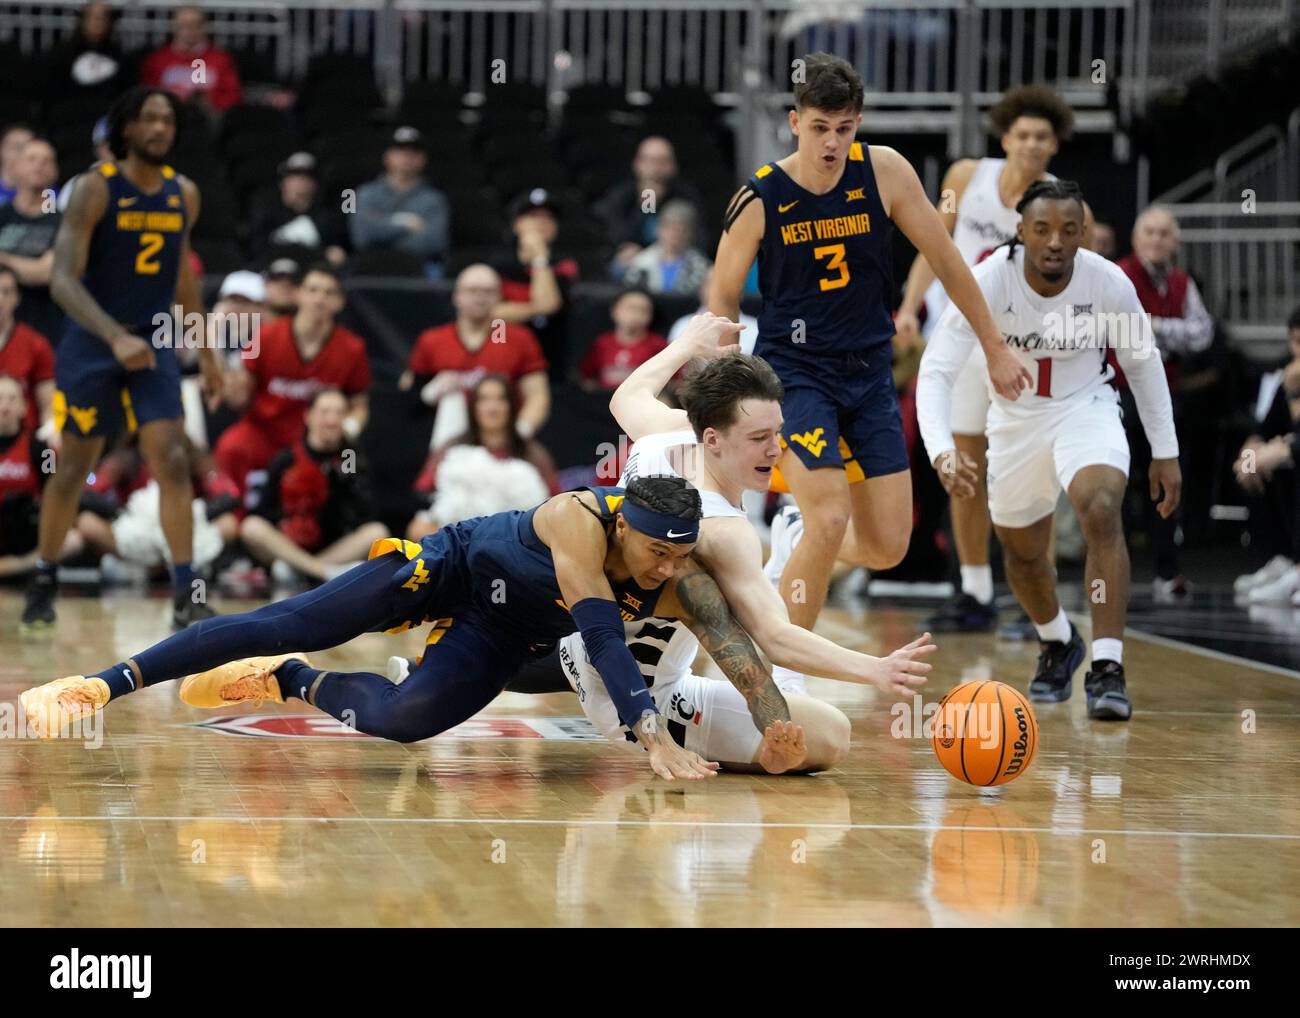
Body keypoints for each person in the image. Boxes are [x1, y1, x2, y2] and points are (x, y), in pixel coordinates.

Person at [21, 475, 806, 780]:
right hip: (451, 567)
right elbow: (603, 634)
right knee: (290, 617)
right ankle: (102, 682)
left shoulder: (684, 576)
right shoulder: (578, 520)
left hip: (505, 634)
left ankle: (289, 680)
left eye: (679, 556)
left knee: (406, 722)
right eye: (654, 552)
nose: (666, 568)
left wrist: (775, 727)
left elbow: (741, 649)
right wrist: (651, 734)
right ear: (625, 526)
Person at [709, 52, 1028, 693]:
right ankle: (781, 683)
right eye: (821, 126)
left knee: (887, 547)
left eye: (845, 127)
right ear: (795, 121)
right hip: (792, 375)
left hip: (869, 372)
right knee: (830, 517)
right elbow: (720, 300)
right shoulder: (761, 196)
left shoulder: (885, 171)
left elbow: (946, 259)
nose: (832, 142)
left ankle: (794, 532)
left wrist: (994, 345)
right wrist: (732, 389)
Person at [916, 180, 1181, 721]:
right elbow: (936, 370)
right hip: (1013, 422)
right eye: (1042, 229)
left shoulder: (1108, 282)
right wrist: (943, 450)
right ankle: (1058, 641)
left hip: (1087, 407)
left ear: (1084, 234)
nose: (1055, 240)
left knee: (1101, 508)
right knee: (1023, 554)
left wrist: (1166, 450)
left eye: (1068, 229)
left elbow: (1143, 365)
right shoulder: (989, 278)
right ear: (1021, 232)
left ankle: (1107, 665)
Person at [22, 87, 223, 631]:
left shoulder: (184, 193)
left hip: (153, 342)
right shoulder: (94, 188)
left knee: (173, 459)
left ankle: (186, 593)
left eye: (168, 120)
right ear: (126, 130)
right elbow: (62, 281)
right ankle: (44, 577)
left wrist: (207, 354)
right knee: (74, 468)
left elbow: (184, 278)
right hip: (92, 343)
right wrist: (113, 337)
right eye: (149, 119)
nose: (160, 128)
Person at [894, 84, 1078, 634]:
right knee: (964, 471)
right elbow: (935, 243)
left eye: (1042, 136)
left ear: (1054, 145)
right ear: (1006, 137)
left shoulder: (1059, 202)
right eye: (1023, 133)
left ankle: (1033, 598)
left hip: (1019, 351)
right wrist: (907, 309)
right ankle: (974, 591)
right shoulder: (964, 177)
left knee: (1027, 478)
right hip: (959, 343)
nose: (1031, 143)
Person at [1115, 205, 1215, 601]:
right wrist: (1162, 334)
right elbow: (1124, 332)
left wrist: (1154, 327)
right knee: (1118, 485)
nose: (1156, 240)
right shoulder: (1119, 274)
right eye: (1150, 233)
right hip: (1121, 394)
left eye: (1164, 233)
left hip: (1164, 397)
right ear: (1136, 239)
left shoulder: (1181, 281)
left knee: (1167, 481)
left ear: (1175, 242)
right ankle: (1114, 574)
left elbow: (1203, 334)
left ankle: (1166, 572)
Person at [215, 262, 370, 496]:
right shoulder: (265, 336)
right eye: (313, 290)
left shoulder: (352, 348)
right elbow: (239, 398)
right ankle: (235, 512)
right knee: (231, 445)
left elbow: (359, 404)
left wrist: (348, 428)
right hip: (265, 433)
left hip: (320, 440)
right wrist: (216, 348)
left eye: (329, 293)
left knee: (352, 460)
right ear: (298, 295)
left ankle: (346, 518)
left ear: (340, 302)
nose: (320, 299)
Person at [241, 388, 389, 584]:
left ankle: (303, 571)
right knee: (251, 527)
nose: (331, 420)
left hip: (332, 548)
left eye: (339, 413)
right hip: (289, 546)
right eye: (325, 412)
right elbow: (262, 512)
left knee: (377, 532)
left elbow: (366, 514)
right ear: (308, 416)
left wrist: (344, 483)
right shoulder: (288, 459)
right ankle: (320, 571)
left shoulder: (350, 457)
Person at [401, 263, 550, 444]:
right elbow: (411, 395)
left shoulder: (514, 338)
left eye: (488, 291)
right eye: (472, 291)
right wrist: (433, 390)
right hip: (446, 441)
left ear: (500, 297)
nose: (480, 298)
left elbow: (537, 395)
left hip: (504, 439)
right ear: (457, 296)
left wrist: (518, 434)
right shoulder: (433, 340)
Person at [407, 372, 558, 541]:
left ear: (511, 406)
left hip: (511, 540)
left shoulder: (533, 453)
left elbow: (553, 503)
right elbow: (424, 489)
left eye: (500, 399)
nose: (492, 407)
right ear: (473, 406)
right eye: (484, 399)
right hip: (457, 538)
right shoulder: (452, 447)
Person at [488, 188, 579, 376]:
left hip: (549, 358)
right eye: (532, 216)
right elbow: (491, 313)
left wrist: (539, 258)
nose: (541, 222)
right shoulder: (498, 263)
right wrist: (534, 307)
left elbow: (548, 305)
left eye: (548, 217)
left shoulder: (564, 264)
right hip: (501, 355)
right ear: (516, 224)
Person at [0, 375, 82, 576]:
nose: (5, 406)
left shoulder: (42, 447)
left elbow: (54, 489)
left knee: (73, 540)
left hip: (25, 531)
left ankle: (15, 567)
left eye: (12, 399)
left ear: (24, 408)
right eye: (0, 398)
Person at [349, 126, 449, 277]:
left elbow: (435, 241)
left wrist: (382, 228)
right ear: (387, 156)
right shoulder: (360, 193)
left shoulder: (436, 199)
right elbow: (360, 236)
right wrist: (405, 223)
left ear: (423, 159)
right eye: (400, 150)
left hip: (417, 270)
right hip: (369, 268)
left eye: (415, 152)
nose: (407, 156)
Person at [596, 136, 704, 275]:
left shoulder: (685, 195)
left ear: (673, 166)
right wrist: (648, 202)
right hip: (636, 260)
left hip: (678, 259)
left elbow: (700, 237)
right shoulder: (622, 195)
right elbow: (618, 238)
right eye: (651, 161)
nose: (656, 168)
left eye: (663, 161)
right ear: (637, 164)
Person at [0, 137, 64, 344]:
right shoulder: (3, 216)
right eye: (32, 159)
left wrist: (5, 260)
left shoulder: (62, 220)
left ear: (55, 171)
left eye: (46, 160)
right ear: (15, 167)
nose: (39, 165)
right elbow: (36, 269)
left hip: (47, 331)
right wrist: (29, 267)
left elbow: (47, 273)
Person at [246, 151, 347, 266]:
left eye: (306, 177)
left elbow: (337, 254)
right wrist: (320, 254)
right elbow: (259, 251)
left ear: (315, 184)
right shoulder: (266, 209)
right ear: (282, 182)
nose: (300, 182)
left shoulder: (326, 216)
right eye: (294, 176)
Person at [139, 5, 242, 113]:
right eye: (184, 25)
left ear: (205, 27)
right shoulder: (157, 60)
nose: (190, 30)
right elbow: (147, 96)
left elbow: (232, 97)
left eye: (196, 24)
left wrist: (210, 100)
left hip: (209, 119)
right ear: (174, 26)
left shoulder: (221, 60)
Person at [0, 265, 56, 441]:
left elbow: (49, 406)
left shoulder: (36, 345)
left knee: (53, 448)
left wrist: (50, 434)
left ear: (17, 298)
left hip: (25, 444)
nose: (0, 299)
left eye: (7, 292)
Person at [577, 288, 667, 392]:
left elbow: (675, 381)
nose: (636, 314)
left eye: (643, 310)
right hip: (603, 401)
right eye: (630, 308)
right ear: (614, 310)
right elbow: (586, 378)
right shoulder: (601, 344)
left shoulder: (658, 345)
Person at [622, 199, 711, 295]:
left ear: (690, 234)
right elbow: (630, 294)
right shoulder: (641, 263)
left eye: (681, 231)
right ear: (658, 229)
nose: (675, 235)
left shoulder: (700, 266)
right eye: (669, 228)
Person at [0, 124, 34, 206]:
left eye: (30, 148)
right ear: (1, 150)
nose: (25, 154)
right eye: (18, 147)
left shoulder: (48, 192)